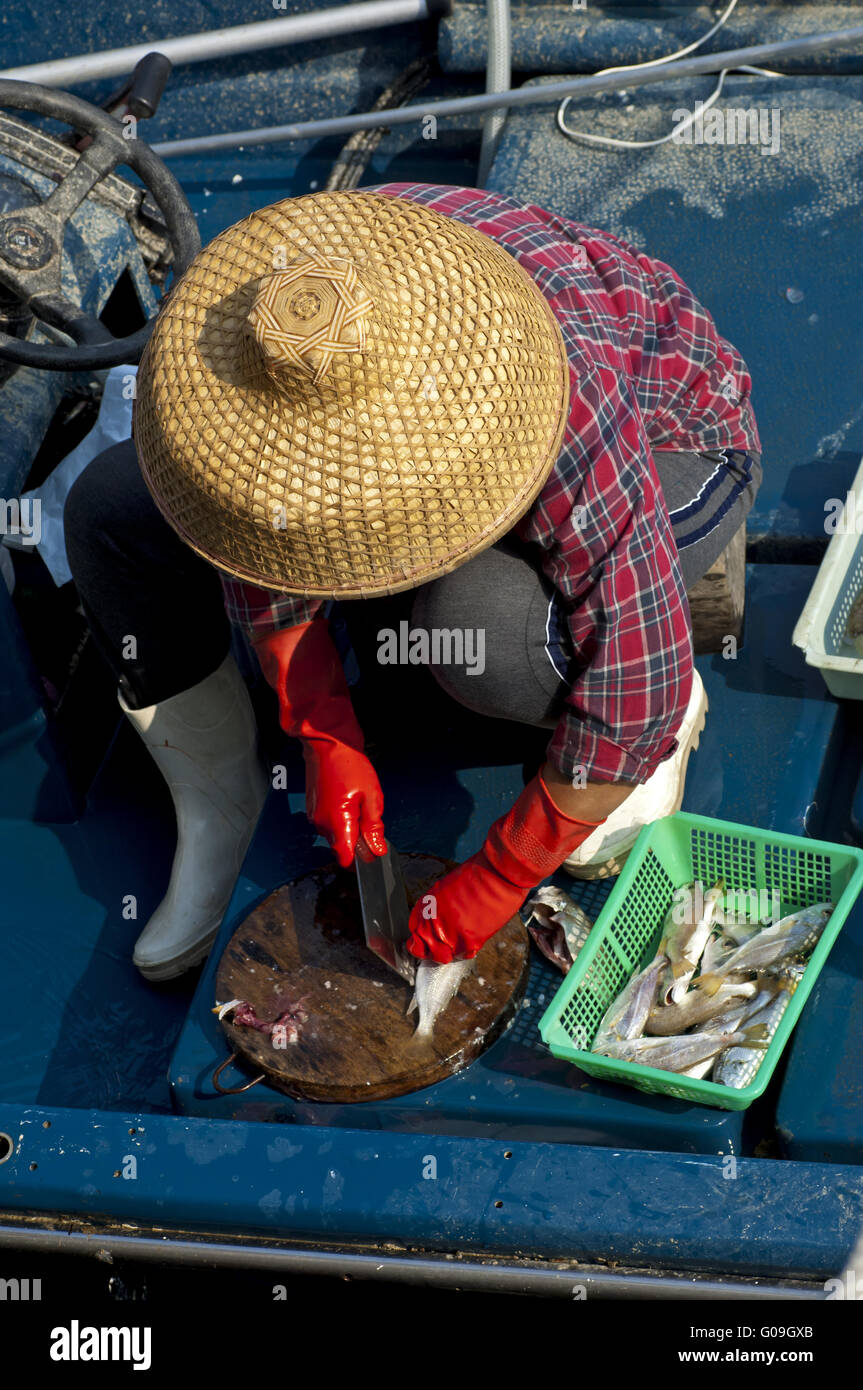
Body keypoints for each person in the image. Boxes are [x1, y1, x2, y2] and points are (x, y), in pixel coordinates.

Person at [64, 182, 761, 981]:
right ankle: (222, 802)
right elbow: (257, 515)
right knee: (112, 509)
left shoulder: (558, 380)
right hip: (428, 440)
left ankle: (654, 734)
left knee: (475, 636)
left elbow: (632, 668)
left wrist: (502, 871)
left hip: (665, 441)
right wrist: (321, 727)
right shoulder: (268, 313)